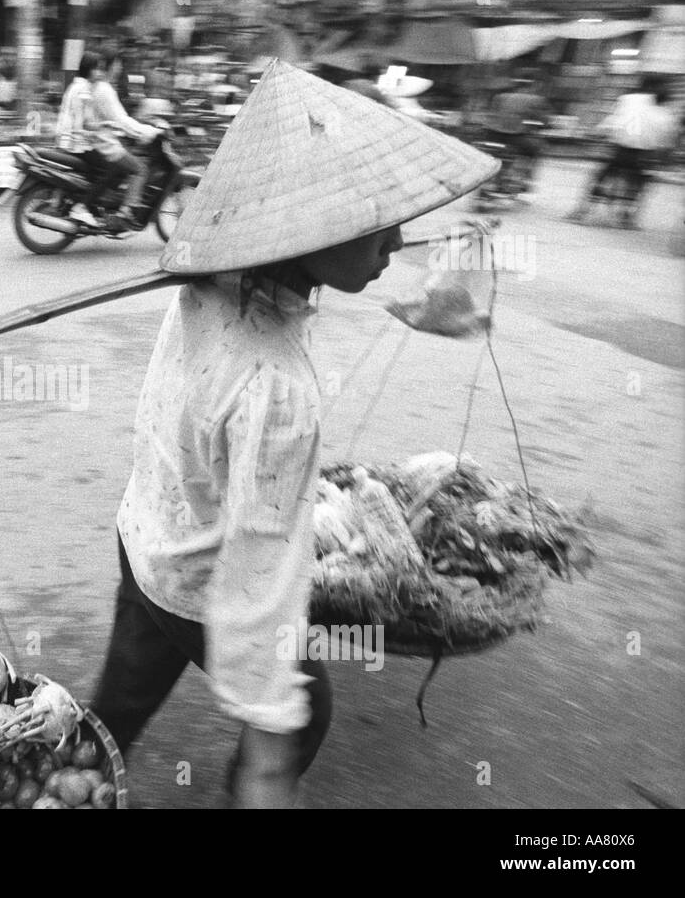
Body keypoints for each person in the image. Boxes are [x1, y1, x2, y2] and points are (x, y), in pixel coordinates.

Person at [90, 59, 497, 808]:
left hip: (147, 533)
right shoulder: (278, 385)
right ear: (303, 228)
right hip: (198, 573)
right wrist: (272, 734)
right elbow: (259, 570)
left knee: (115, 710)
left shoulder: (209, 284)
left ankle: (64, 782)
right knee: (307, 708)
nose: (396, 242)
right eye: (376, 223)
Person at [54, 51, 154, 229]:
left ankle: (94, 207)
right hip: (76, 143)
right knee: (110, 169)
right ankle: (82, 206)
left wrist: (104, 125)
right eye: (97, 69)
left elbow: (88, 120)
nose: (100, 73)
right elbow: (82, 123)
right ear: (89, 70)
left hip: (69, 139)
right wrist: (97, 131)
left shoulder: (77, 86)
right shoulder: (85, 90)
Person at [568, 76, 680, 228]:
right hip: (644, 157)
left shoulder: (629, 100)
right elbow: (666, 141)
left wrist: (597, 133)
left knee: (600, 177)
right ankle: (627, 217)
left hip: (619, 151)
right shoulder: (666, 115)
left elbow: (612, 122)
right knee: (641, 184)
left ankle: (582, 211)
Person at [484, 75, 550, 192]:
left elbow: (491, 114)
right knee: (537, 150)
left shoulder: (500, 97)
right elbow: (543, 120)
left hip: (491, 135)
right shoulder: (535, 100)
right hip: (515, 137)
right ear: (533, 86)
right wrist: (544, 124)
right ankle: (526, 179)